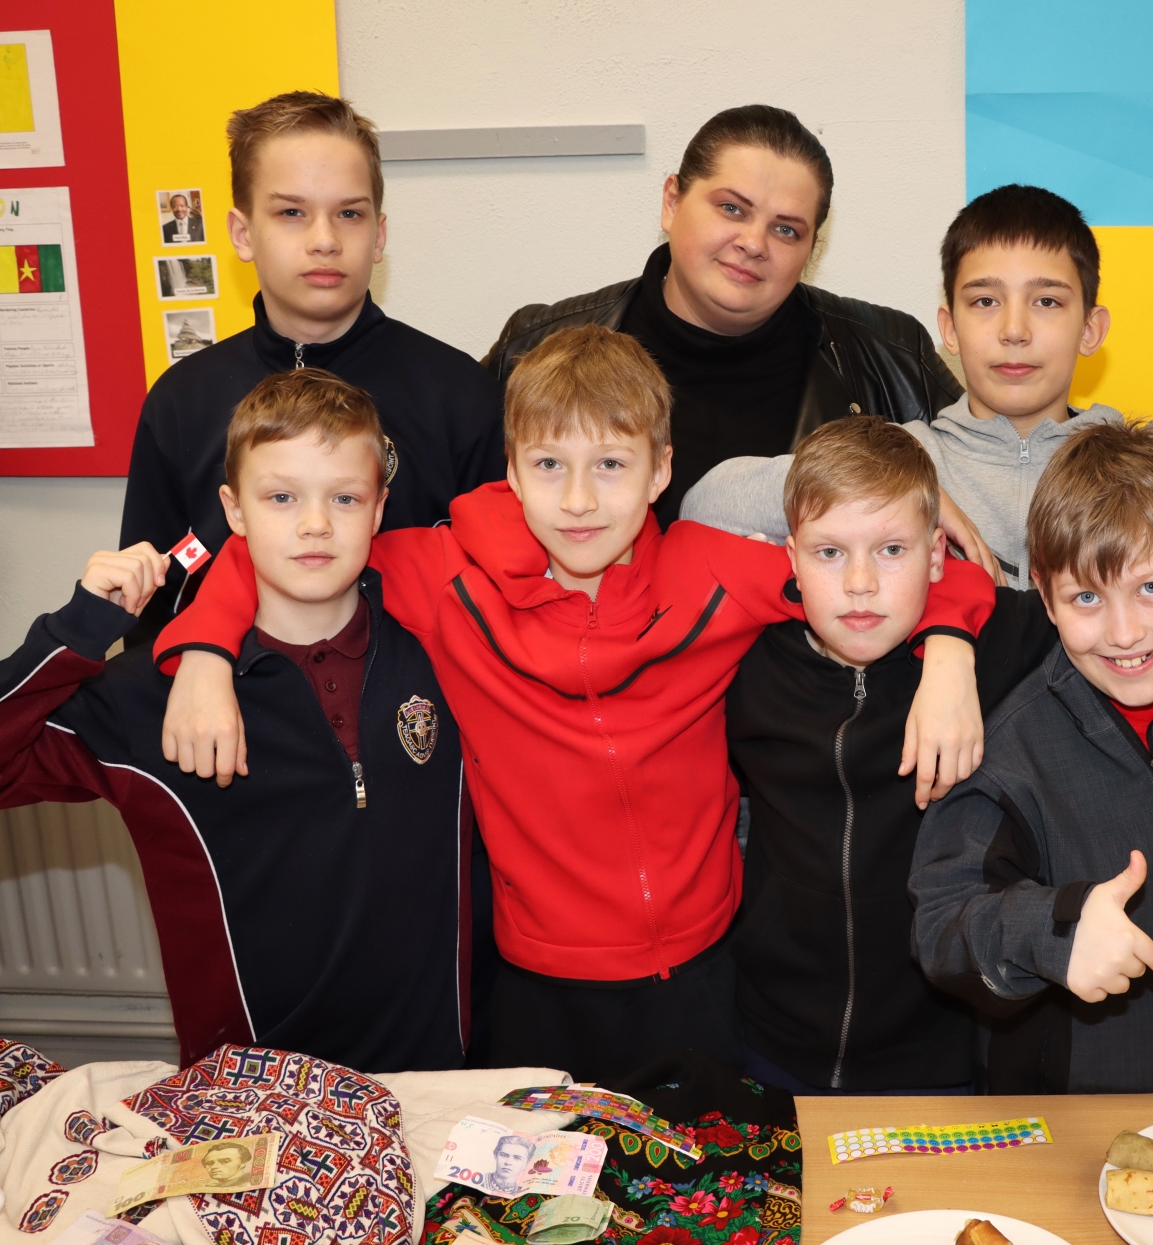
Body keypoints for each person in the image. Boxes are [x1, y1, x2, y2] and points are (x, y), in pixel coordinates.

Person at [154, 325, 995, 1083]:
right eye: (550, 465)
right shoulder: (448, 575)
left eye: (612, 466)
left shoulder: (716, 572)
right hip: (536, 982)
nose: (581, 500)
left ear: (662, 470)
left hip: (704, 971)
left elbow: (915, 575)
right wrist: (202, 650)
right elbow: (285, 551)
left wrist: (951, 656)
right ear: (512, 470)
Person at [719, 417, 1153, 1096]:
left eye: (891, 549)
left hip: (938, 1059)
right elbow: (691, 524)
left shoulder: (1007, 648)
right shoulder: (749, 667)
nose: (860, 581)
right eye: (830, 553)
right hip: (771, 1037)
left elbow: (1148, 581)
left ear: (933, 556)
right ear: (793, 559)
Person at [0, 370, 471, 1072]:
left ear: (379, 510)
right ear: (235, 509)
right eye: (281, 497)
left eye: (344, 498)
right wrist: (78, 627)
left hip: (445, 1070)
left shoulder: (447, 644)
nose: (315, 524)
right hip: (251, 1092)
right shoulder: (150, 697)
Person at [909, 422, 1153, 1095]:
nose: (1125, 634)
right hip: (1069, 1137)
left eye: (1152, 589)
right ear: (1045, 595)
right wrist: (1054, 933)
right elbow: (941, 924)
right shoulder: (1009, 750)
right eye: (1087, 598)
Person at [122, 91, 505, 653]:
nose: (325, 240)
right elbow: (154, 605)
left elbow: (501, 596)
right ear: (242, 233)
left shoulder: (460, 395)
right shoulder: (182, 401)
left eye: (349, 213)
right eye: (291, 212)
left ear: (378, 234)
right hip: (232, 716)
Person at [484, 104, 959, 528]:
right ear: (672, 201)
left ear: (811, 249)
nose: (754, 243)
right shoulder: (530, 349)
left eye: (786, 230)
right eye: (732, 208)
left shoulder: (892, 357)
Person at [684, 184, 1127, 589]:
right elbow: (703, 507)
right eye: (985, 302)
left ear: (1090, 330)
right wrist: (898, 486)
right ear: (949, 329)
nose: (1014, 330)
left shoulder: (1141, 469)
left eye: (1047, 301)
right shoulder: (905, 457)